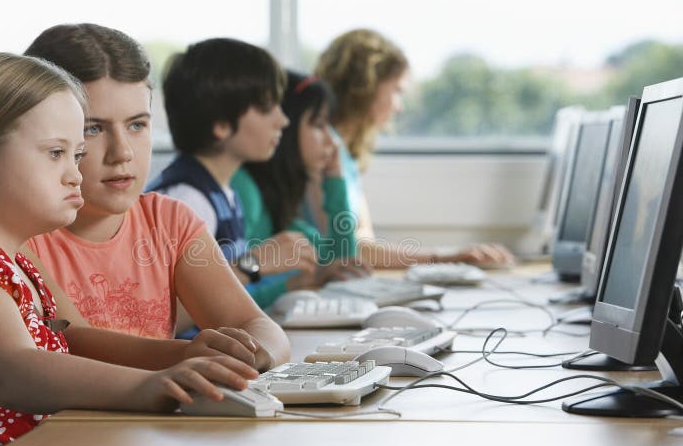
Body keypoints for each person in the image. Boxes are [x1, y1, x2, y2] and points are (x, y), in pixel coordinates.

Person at [0, 53, 258, 446]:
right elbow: (13, 370)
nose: (75, 175)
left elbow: (62, 347)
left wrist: (183, 357)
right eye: (56, 153)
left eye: (77, 154)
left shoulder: (8, 257)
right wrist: (147, 386)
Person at [23, 24, 290, 365]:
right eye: (93, 129)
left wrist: (254, 357)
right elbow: (76, 345)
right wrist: (193, 355)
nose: (122, 153)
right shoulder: (19, 236)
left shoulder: (170, 222)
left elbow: (257, 326)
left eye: (137, 125)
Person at [315, 29, 514, 268]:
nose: (398, 107)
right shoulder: (321, 151)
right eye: (396, 91)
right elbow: (353, 249)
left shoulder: (346, 156)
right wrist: (444, 257)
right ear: (367, 87)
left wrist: (446, 257)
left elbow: (363, 240)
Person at [148, 38, 322, 309]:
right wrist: (252, 264)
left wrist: (291, 283)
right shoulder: (188, 200)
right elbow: (163, 312)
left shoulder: (224, 191)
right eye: (267, 108)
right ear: (221, 124)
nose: (283, 120)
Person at [232, 70, 360, 272]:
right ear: (286, 127)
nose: (332, 141)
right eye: (318, 125)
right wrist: (290, 285)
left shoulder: (279, 206)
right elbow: (229, 281)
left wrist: (335, 177)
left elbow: (342, 261)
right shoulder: (244, 189)